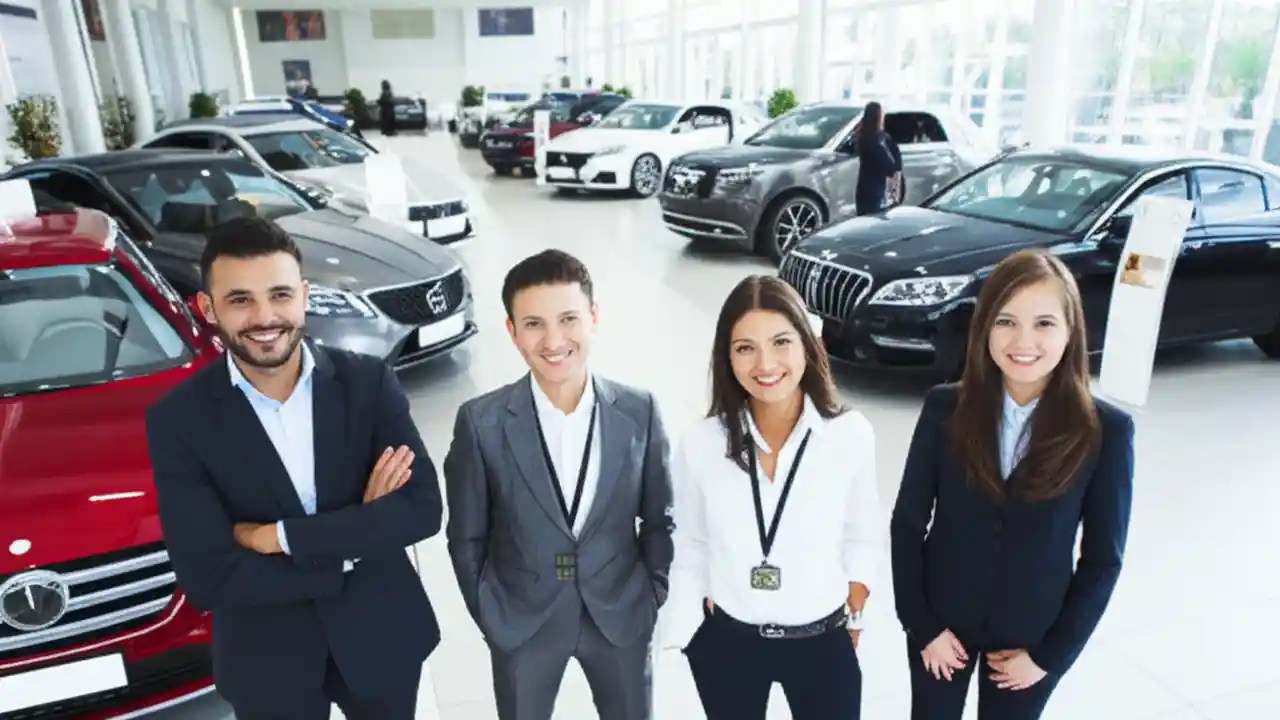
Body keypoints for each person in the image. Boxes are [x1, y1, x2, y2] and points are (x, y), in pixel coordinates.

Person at [145, 216, 443, 720]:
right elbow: (207, 575)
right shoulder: (178, 419)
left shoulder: (367, 383)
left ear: (304, 295)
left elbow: (421, 510)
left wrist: (278, 538)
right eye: (240, 300)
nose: (265, 316)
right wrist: (352, 545)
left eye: (280, 295)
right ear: (208, 308)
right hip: (267, 661)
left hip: (382, 635)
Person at [890, 248, 1136, 720]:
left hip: (1031, 639)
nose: (1023, 341)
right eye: (1006, 322)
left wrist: (1050, 657)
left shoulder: (1105, 430)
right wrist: (921, 627)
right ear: (985, 327)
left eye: (1044, 323)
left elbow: (1103, 560)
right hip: (941, 626)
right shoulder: (945, 408)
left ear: (1071, 332)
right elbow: (907, 524)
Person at [444, 249, 674, 720]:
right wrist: (489, 611)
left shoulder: (639, 411)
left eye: (568, 318)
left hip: (619, 612)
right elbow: (466, 536)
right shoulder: (481, 423)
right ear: (511, 332)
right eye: (533, 324)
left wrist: (652, 594)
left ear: (593, 318)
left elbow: (659, 518)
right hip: (522, 618)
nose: (553, 340)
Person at [660, 275, 881, 720]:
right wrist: (690, 635)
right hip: (729, 642)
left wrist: (854, 613)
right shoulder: (703, 442)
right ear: (727, 356)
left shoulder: (849, 435)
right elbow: (689, 541)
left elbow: (863, 532)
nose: (765, 363)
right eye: (745, 348)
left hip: (821, 641)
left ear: (806, 344)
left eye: (781, 342)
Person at [855, 100, 901, 215]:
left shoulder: (862, 136)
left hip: (863, 187)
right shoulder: (877, 140)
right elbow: (889, 166)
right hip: (876, 190)